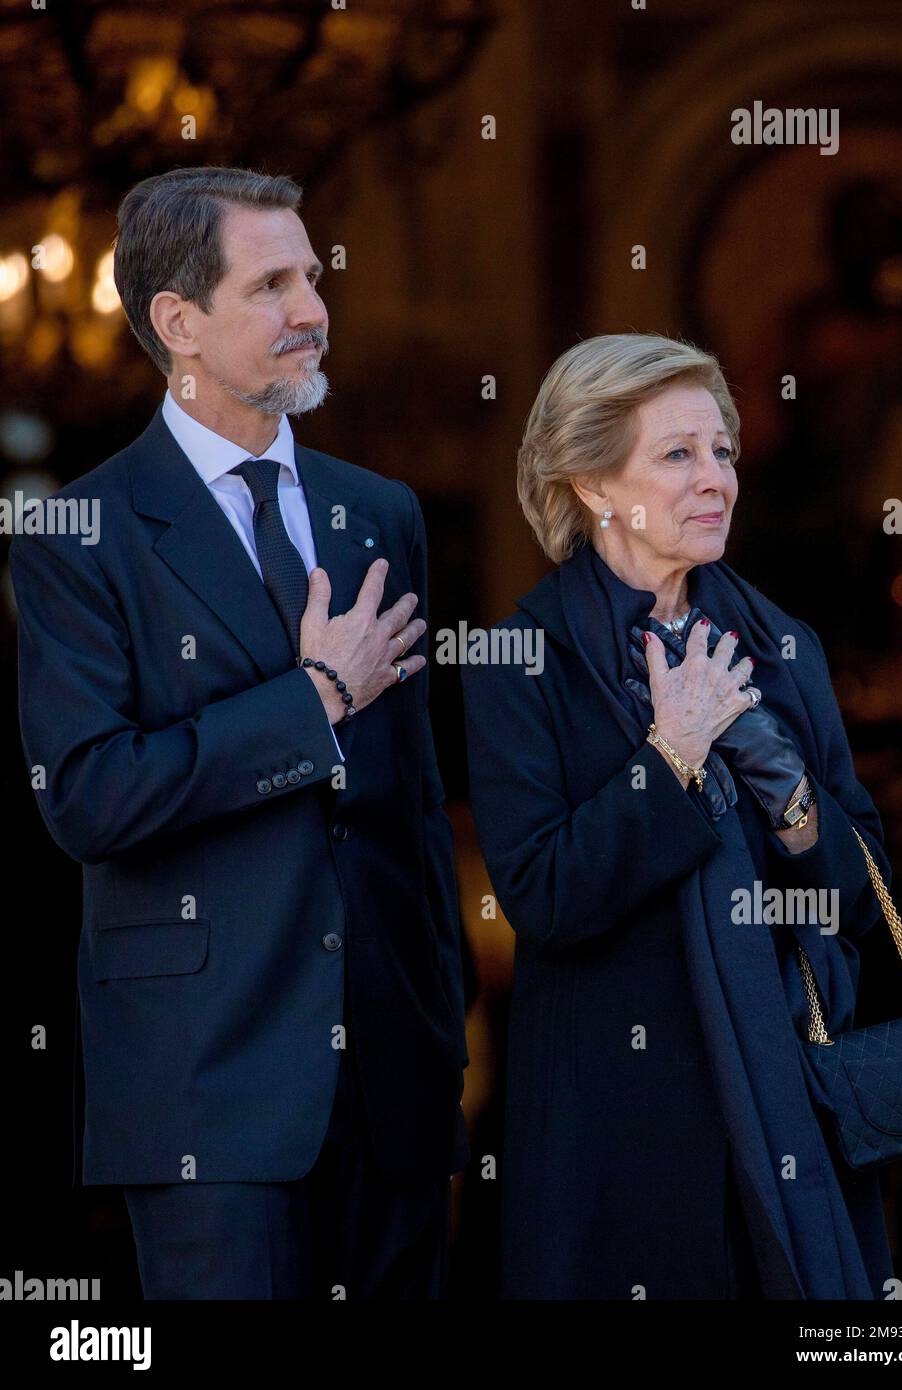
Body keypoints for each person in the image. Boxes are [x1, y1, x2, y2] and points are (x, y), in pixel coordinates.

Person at [9, 165, 469, 1300]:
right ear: (180, 323)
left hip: (396, 1092)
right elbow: (88, 795)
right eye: (272, 283)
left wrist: (441, 1031)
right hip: (203, 1095)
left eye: (312, 275)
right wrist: (311, 700)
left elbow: (413, 806)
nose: (314, 308)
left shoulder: (385, 513)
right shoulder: (79, 532)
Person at [461, 333, 896, 1300]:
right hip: (614, 1125)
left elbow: (862, 897)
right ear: (589, 482)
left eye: (722, 452)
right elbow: (543, 898)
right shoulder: (517, 663)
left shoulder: (783, 646)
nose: (716, 480)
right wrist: (674, 755)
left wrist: (783, 787)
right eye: (676, 454)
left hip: (785, 1099)